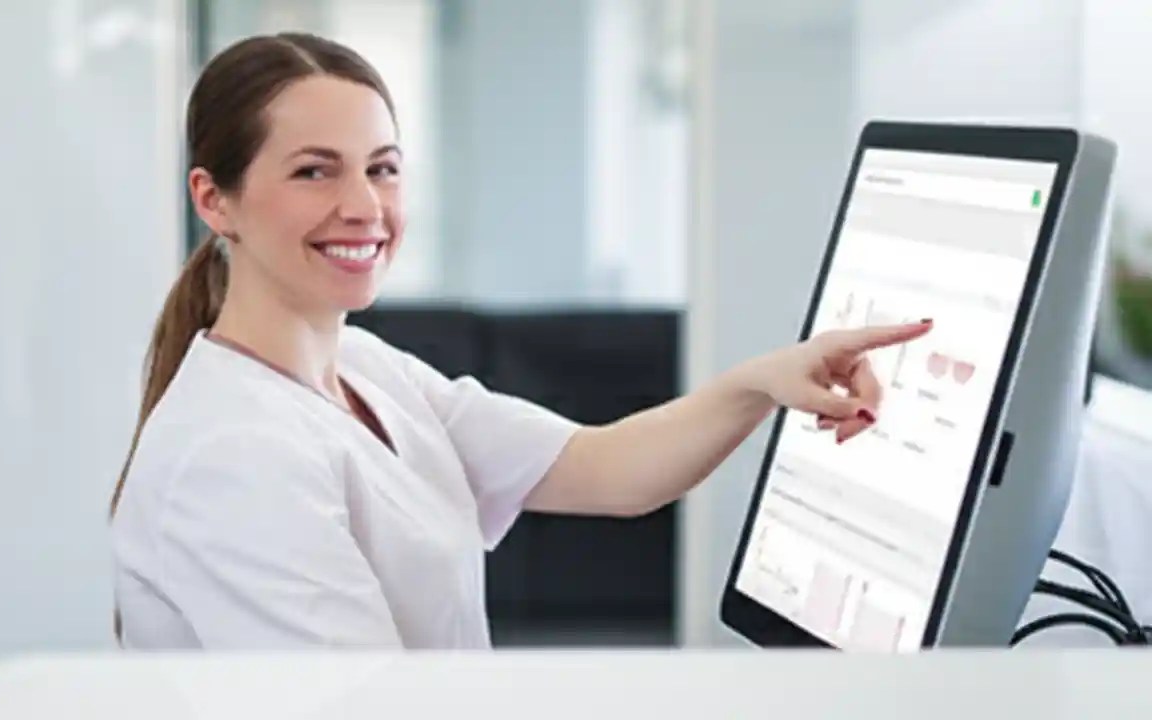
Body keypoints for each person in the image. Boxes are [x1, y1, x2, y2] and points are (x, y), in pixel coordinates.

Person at [108, 32, 932, 650]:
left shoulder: (364, 367)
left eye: (383, 167)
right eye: (314, 171)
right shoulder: (231, 454)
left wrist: (763, 382)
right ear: (215, 201)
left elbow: (606, 469)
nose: (364, 205)